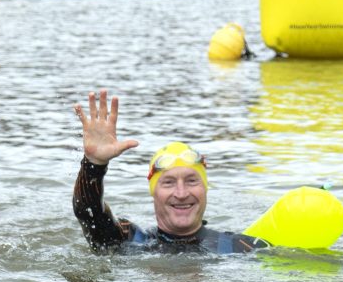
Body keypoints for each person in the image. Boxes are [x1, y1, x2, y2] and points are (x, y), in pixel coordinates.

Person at [72, 89, 268, 254]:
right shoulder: (130, 241)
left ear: (205, 188)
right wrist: (94, 164)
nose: (181, 193)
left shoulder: (242, 248)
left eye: (191, 181)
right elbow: (89, 214)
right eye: (168, 182)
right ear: (153, 192)